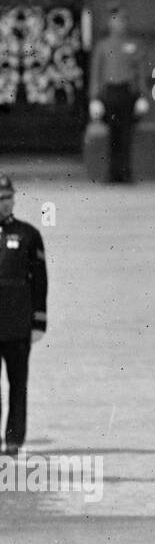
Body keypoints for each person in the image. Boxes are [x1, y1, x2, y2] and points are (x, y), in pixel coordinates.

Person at [0, 175, 47, 456]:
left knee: (18, 385)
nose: (7, 204)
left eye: (9, 198)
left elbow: (40, 281)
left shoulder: (29, 235)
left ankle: (14, 440)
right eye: (2, 199)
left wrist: (39, 319)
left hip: (18, 326)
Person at [87, 3, 150, 183]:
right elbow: (96, 73)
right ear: (109, 22)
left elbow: (140, 73)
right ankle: (112, 173)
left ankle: (125, 172)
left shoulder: (134, 45)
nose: (119, 24)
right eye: (115, 20)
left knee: (126, 135)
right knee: (112, 135)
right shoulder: (103, 46)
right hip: (109, 93)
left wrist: (143, 97)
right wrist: (94, 99)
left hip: (127, 93)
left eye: (123, 20)